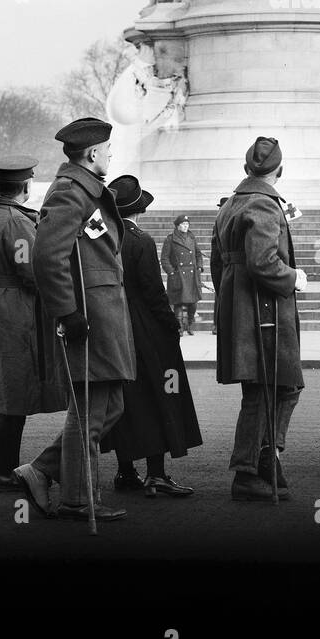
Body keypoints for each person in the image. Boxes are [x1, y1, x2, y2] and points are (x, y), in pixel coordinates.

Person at [14, 118, 136, 523]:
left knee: (109, 406)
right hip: (89, 315)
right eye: (107, 149)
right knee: (90, 413)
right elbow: (48, 257)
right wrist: (67, 312)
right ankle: (77, 499)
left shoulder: (85, 190)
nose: (110, 154)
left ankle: (43, 470)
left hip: (102, 314)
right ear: (93, 153)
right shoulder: (70, 192)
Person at [210, 136, 308, 501]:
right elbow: (264, 261)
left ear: (246, 168)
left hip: (241, 304)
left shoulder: (229, 205)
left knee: (280, 385)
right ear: (279, 170)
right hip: (263, 308)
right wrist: (294, 278)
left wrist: (230, 303)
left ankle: (266, 456)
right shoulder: (265, 205)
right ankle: (248, 470)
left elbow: (217, 264)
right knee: (265, 390)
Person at [0, 156, 67, 490]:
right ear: (27, 184)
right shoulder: (17, 222)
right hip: (14, 310)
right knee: (12, 389)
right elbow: (30, 271)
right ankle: (5, 472)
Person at [102, 176, 201, 496]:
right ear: (139, 210)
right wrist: (171, 324)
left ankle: (125, 470)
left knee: (123, 398)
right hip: (142, 325)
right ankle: (156, 473)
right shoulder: (140, 240)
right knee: (158, 395)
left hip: (111, 322)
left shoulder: (100, 234)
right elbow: (153, 293)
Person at [162, 213, 204, 334]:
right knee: (178, 302)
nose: (186, 226)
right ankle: (179, 327)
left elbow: (198, 254)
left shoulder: (191, 237)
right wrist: (171, 272)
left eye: (187, 224)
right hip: (178, 274)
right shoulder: (170, 239)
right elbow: (164, 258)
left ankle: (189, 324)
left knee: (193, 302)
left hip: (192, 275)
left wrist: (200, 267)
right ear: (177, 226)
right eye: (183, 224)